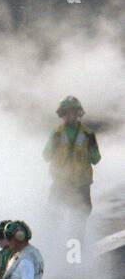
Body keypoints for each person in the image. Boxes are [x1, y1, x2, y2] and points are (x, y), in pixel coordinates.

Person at [42, 95, 101, 242]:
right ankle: (52, 248)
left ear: (78, 113)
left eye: (73, 112)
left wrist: (91, 149)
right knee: (52, 219)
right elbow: (46, 155)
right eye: (66, 112)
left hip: (81, 186)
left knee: (78, 222)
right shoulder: (56, 134)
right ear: (61, 114)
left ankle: (76, 256)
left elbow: (96, 159)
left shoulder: (88, 135)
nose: (70, 115)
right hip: (61, 184)